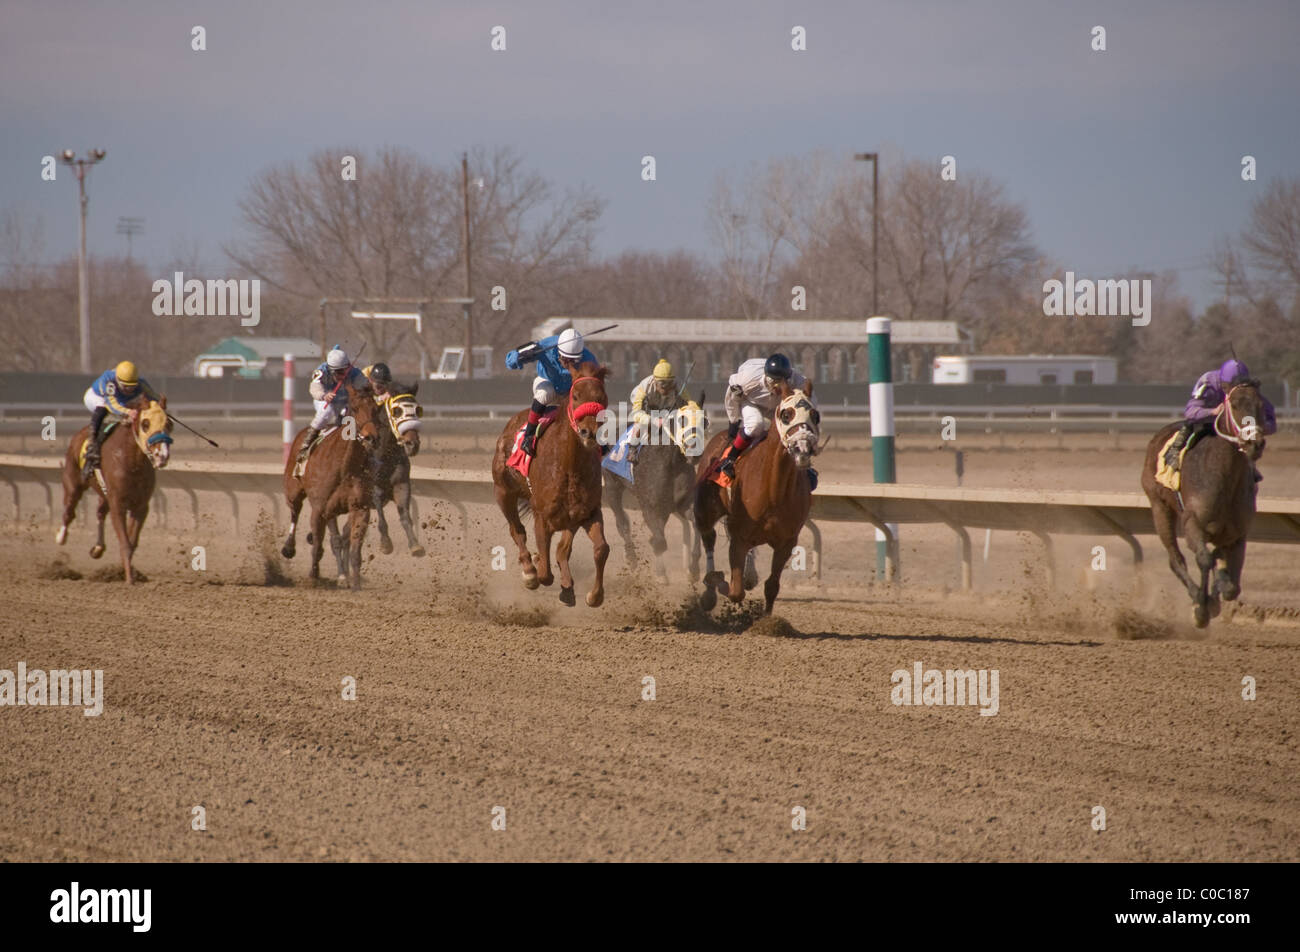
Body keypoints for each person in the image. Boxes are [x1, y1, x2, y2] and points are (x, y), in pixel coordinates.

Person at [1164, 358, 1276, 479]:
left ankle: (1249, 466)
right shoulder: (1208, 381)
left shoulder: (1249, 391)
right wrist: (1213, 411)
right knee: (1191, 423)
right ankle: (1174, 451)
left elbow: (1272, 422)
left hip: (1232, 425)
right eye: (1227, 387)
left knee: (1250, 436)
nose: (1232, 391)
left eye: (1238, 387)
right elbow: (1190, 412)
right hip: (1207, 418)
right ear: (1222, 382)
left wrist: (1260, 427)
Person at [718, 353, 818, 487]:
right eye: (774, 382)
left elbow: (810, 406)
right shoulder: (747, 379)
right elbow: (731, 398)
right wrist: (733, 422)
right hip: (752, 402)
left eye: (782, 382)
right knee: (755, 425)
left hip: (779, 406)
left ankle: (804, 465)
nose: (778, 387)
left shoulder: (799, 381)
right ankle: (731, 458)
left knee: (793, 431)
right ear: (766, 377)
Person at [504, 327, 597, 458]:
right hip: (547, 382)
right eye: (565, 359)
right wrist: (520, 357)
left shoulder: (589, 359)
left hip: (571, 392)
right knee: (545, 394)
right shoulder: (545, 346)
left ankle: (597, 442)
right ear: (558, 351)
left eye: (574, 360)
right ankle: (529, 436)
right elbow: (509, 361)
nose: (568, 363)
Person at [82, 360, 161, 474]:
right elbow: (112, 405)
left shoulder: (140, 383)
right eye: (125, 387)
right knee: (103, 408)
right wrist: (128, 412)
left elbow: (154, 397)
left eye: (132, 387)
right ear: (118, 380)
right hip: (97, 397)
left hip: (120, 402)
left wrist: (159, 409)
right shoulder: (108, 381)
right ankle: (92, 445)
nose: (129, 390)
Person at [297, 346, 367, 465]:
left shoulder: (355, 373)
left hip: (345, 402)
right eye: (339, 372)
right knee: (326, 412)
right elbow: (314, 388)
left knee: (350, 416)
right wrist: (324, 395)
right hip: (325, 400)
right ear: (331, 370)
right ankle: (307, 443)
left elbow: (366, 386)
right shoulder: (321, 371)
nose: (344, 375)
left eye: (345, 370)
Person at [627, 359, 688, 463]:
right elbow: (636, 414)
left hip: (667, 409)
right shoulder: (644, 387)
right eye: (662, 383)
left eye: (669, 383)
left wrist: (683, 407)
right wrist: (654, 421)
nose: (665, 387)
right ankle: (632, 449)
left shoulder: (679, 385)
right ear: (654, 380)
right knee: (640, 424)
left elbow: (688, 406)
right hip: (647, 409)